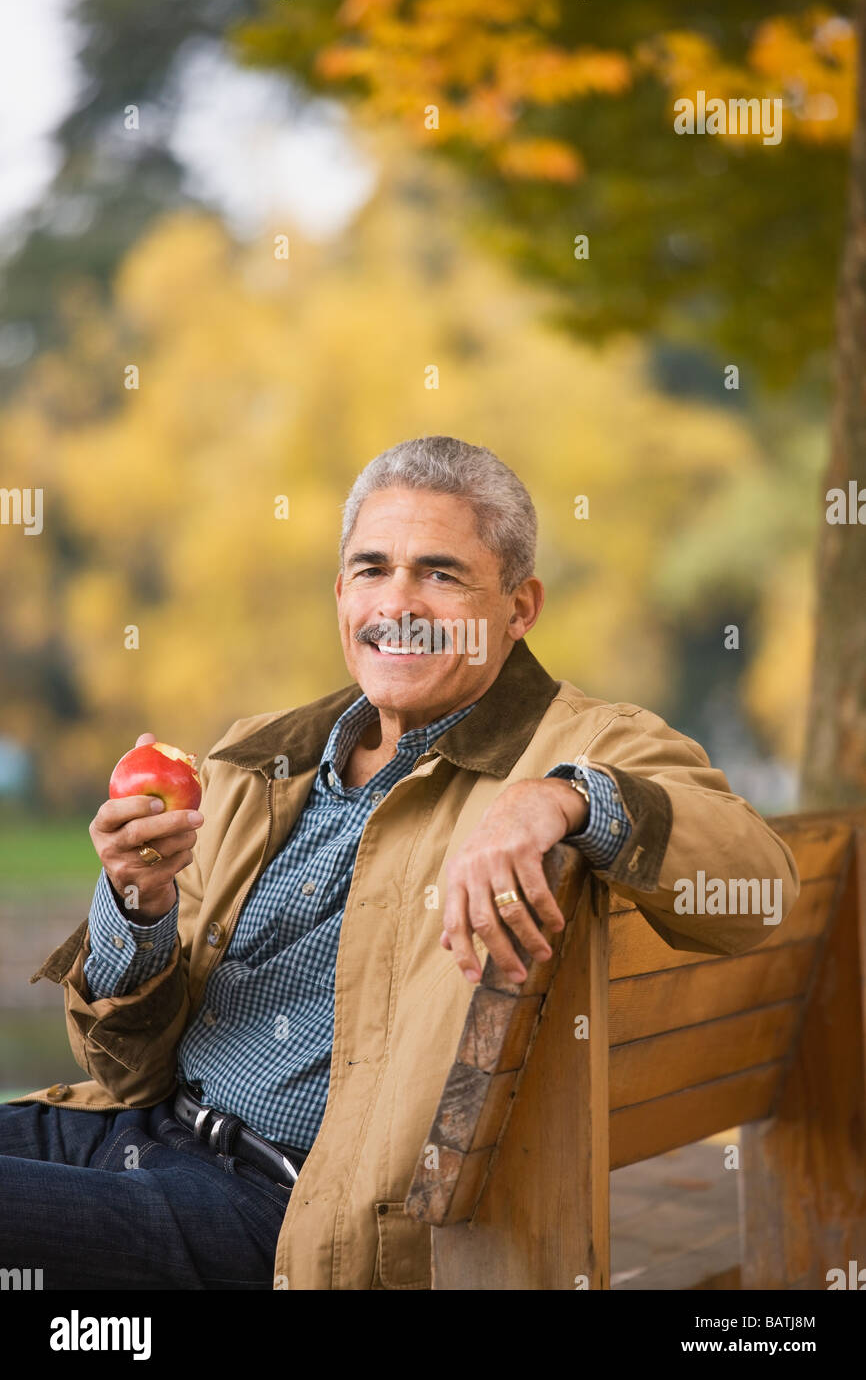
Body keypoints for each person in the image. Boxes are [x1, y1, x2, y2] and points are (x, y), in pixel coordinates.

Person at [1, 434, 799, 1290]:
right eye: (372, 569)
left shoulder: (587, 742)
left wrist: (565, 799)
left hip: (284, 1211)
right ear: (342, 594)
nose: (399, 601)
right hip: (135, 1130)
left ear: (519, 608)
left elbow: (761, 890)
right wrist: (140, 903)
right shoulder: (253, 761)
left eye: (442, 573)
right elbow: (125, 1069)